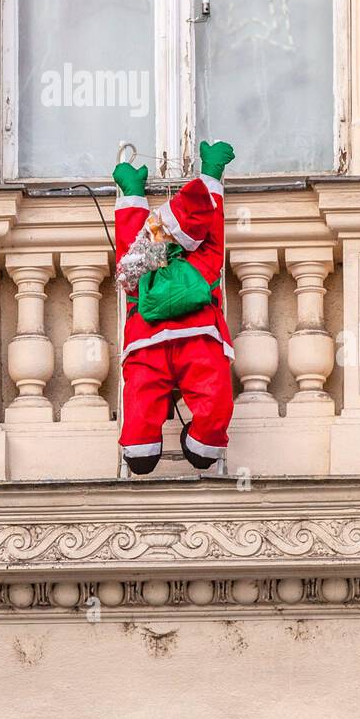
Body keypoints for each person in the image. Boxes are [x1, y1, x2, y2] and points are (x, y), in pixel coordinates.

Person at [113, 141, 236, 475]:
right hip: (197, 338)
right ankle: (202, 442)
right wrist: (212, 174)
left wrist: (131, 193)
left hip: (149, 339)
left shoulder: (144, 253)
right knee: (214, 398)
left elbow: (129, 242)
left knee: (141, 393)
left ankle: (140, 448)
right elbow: (214, 220)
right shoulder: (204, 253)